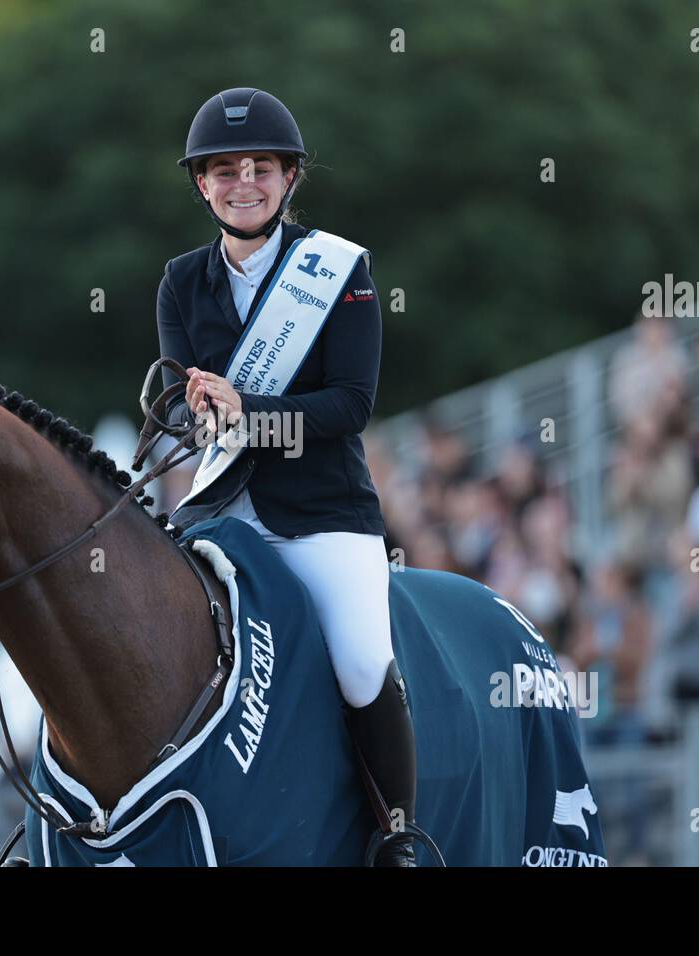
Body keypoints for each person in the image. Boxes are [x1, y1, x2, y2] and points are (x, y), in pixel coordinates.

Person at [155, 88, 418, 865]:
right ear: (202, 184)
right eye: (225, 170)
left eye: (261, 167)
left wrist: (249, 410)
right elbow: (180, 409)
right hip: (220, 512)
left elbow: (351, 404)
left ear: (290, 177)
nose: (245, 182)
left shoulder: (340, 271)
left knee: (365, 661)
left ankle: (397, 832)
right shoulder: (179, 282)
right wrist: (202, 415)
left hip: (324, 513)